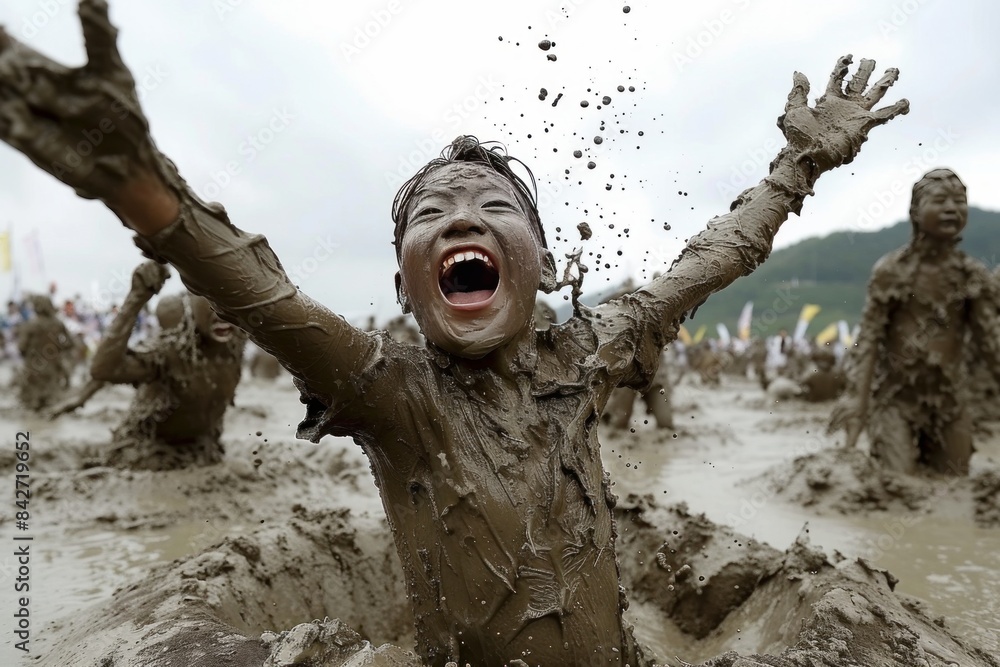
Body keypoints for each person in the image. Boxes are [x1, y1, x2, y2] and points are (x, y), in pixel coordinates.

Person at [0, 4, 907, 663]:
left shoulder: (585, 355)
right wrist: (139, 186)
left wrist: (796, 168)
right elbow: (258, 293)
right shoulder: (393, 394)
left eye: (492, 207)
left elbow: (707, 262)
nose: (462, 219)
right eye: (431, 212)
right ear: (406, 284)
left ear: (544, 264)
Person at [830, 169, 1000, 475]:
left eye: (960, 201)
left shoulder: (971, 276)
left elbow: (991, 344)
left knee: (955, 484)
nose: (952, 208)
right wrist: (857, 399)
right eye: (940, 200)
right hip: (896, 399)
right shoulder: (891, 271)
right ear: (915, 212)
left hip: (950, 401)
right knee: (897, 481)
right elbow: (867, 341)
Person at [53, 261, 247, 470]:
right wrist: (136, 297)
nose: (220, 310)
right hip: (146, 453)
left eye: (227, 300)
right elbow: (105, 370)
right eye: (210, 301)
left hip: (203, 450)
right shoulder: (169, 353)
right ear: (190, 308)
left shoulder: (236, 345)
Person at [13, 293, 75, 410]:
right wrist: (57, 350)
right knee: (51, 405)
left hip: (33, 368)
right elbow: (71, 343)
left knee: (30, 406)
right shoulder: (58, 323)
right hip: (53, 369)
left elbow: (21, 347)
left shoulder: (31, 325)